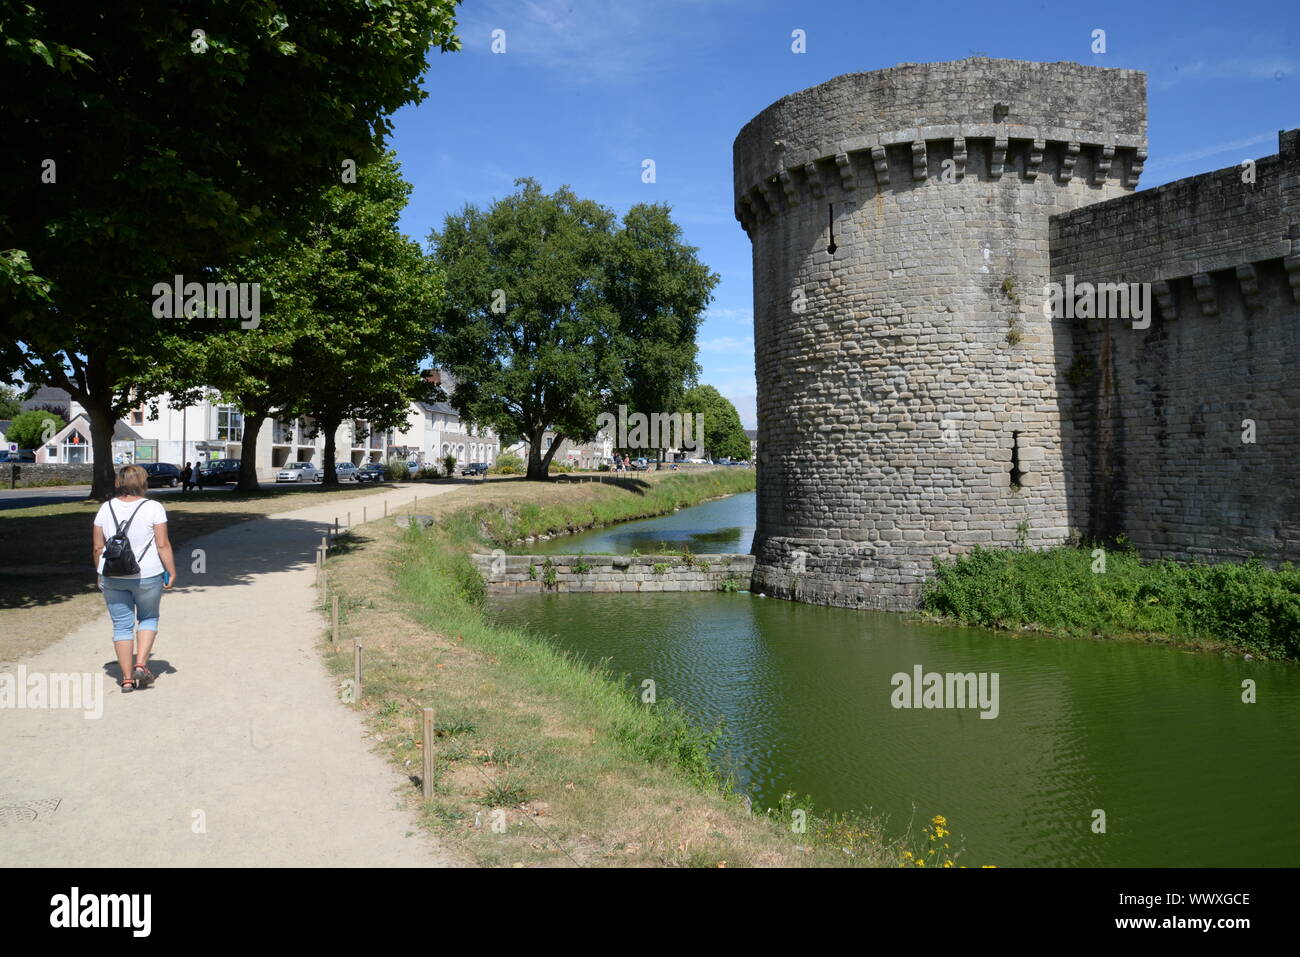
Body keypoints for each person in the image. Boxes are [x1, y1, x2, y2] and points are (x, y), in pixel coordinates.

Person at [92, 465, 177, 692]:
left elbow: (98, 547)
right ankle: (141, 664)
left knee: (121, 626)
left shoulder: (105, 508)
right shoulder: (153, 508)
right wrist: (171, 571)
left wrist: (100, 572)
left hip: (112, 575)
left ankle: (127, 678)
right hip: (147, 574)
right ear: (143, 482)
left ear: (119, 482)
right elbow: (162, 544)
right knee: (148, 618)